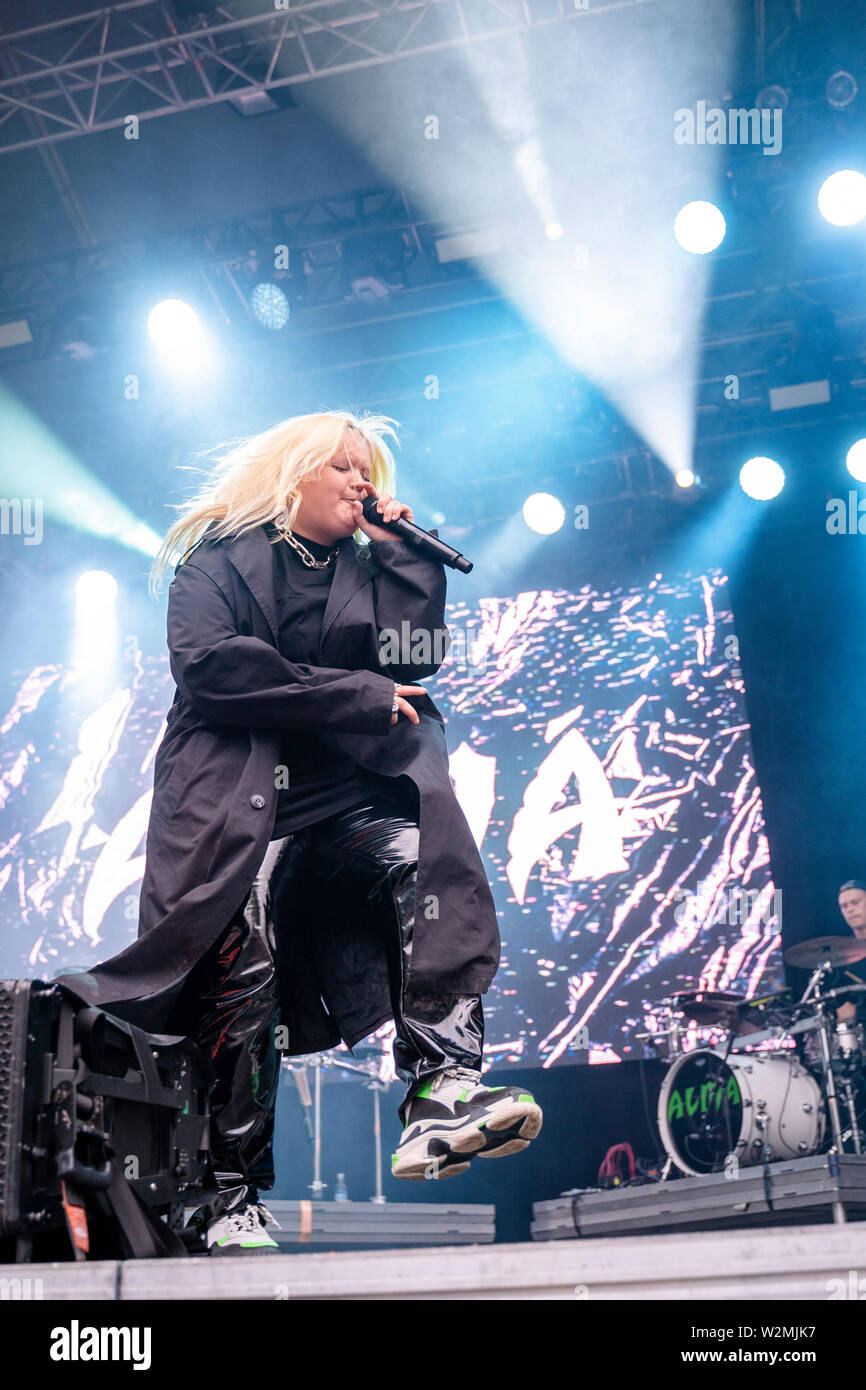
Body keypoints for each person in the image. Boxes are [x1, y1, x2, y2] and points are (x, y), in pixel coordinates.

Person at [56, 410, 542, 1256]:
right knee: (243, 967)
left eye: (371, 472)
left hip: (344, 802)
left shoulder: (367, 561)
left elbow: (413, 652)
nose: (364, 484)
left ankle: (442, 1093)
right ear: (294, 475)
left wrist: (407, 549)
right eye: (346, 468)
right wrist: (355, 695)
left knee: (422, 867)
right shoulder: (214, 563)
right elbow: (214, 670)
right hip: (239, 810)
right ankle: (227, 1197)